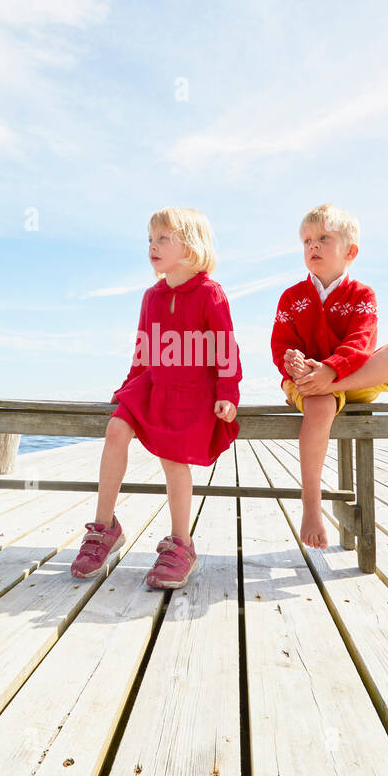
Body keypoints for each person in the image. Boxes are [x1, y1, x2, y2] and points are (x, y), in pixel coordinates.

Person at [71, 207, 242, 589]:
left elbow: (226, 347)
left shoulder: (210, 293)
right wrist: (127, 389)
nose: (153, 246)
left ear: (191, 245)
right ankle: (104, 529)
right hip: (152, 383)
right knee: (116, 428)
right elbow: (143, 349)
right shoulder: (151, 296)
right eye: (150, 239)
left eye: (164, 238)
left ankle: (182, 545)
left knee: (173, 459)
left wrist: (228, 392)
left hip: (193, 390)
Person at [271, 203, 388, 549]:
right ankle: (312, 502)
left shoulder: (362, 295)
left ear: (350, 251)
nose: (312, 246)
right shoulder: (292, 297)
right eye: (306, 241)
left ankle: (329, 382)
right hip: (309, 382)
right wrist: (296, 364)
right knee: (319, 407)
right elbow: (283, 344)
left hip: (349, 376)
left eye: (323, 238)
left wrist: (332, 370)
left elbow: (362, 341)